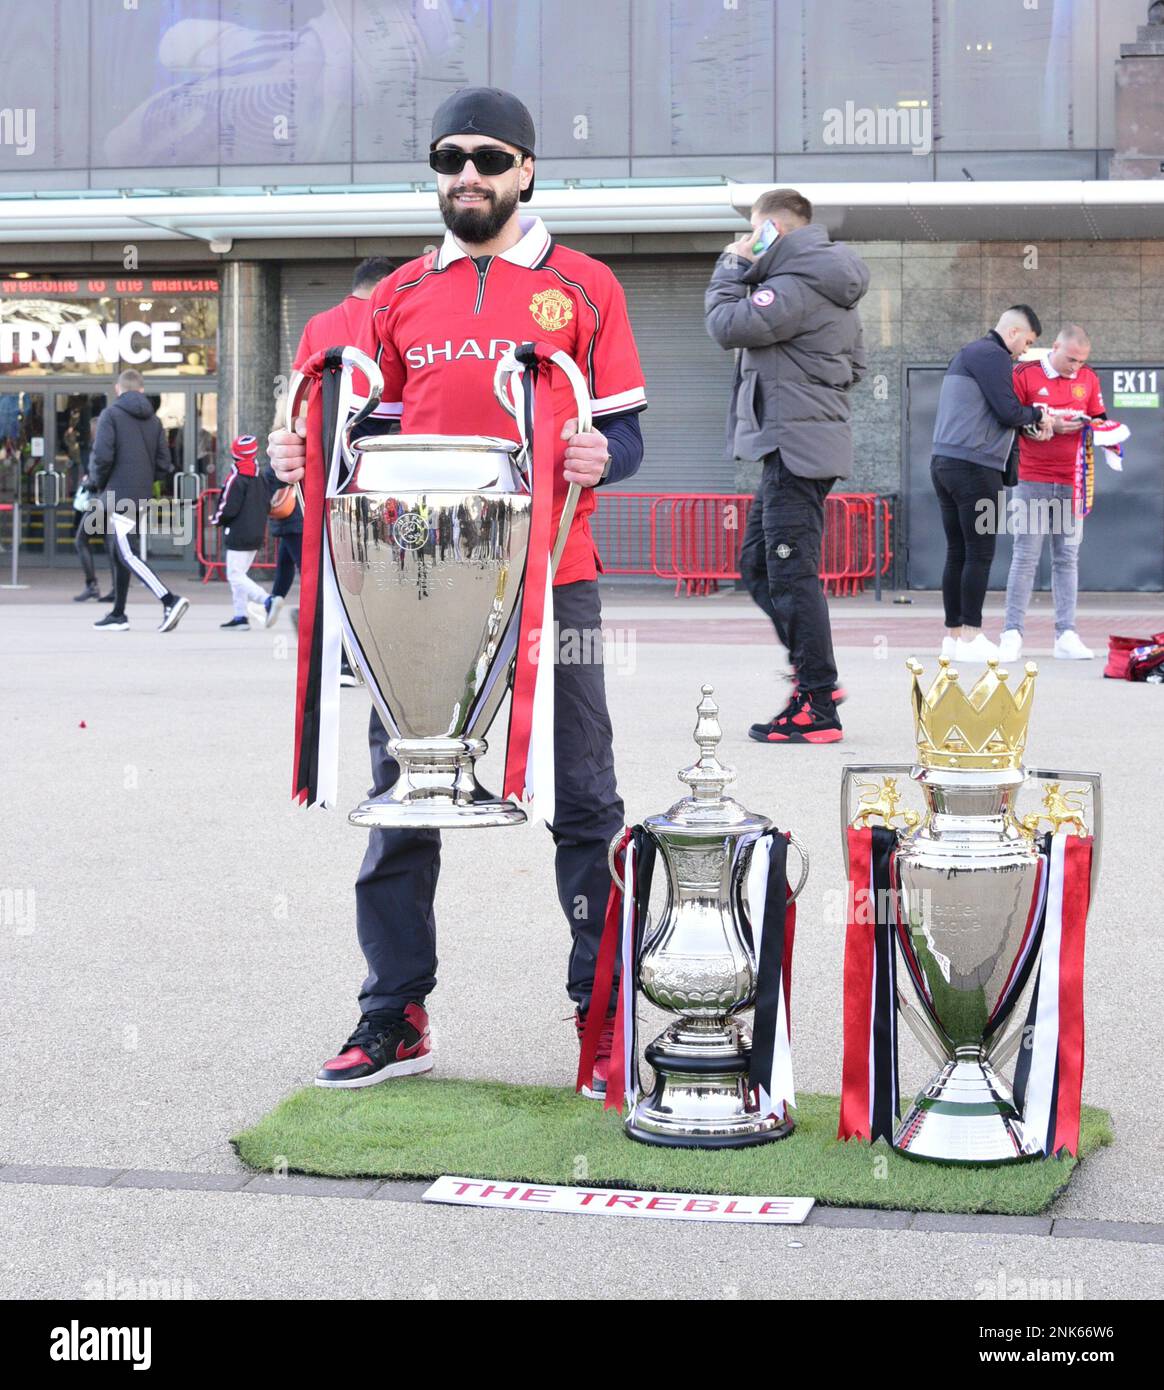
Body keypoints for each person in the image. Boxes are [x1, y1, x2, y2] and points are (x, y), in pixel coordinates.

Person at [267, 86, 647, 1096]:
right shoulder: (394, 295)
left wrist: (605, 452)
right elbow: (361, 429)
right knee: (404, 798)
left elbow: (627, 431)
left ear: (526, 170)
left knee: (586, 797)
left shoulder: (586, 284)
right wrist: (295, 448)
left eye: (488, 159)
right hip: (418, 588)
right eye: (449, 159)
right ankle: (394, 1013)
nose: (467, 176)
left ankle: (600, 1015)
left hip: (556, 579)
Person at [705, 188, 868, 745]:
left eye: (756, 231)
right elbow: (857, 365)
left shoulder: (795, 286)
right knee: (757, 564)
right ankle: (813, 672)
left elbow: (726, 324)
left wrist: (733, 264)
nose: (751, 241)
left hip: (798, 448)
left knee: (790, 571)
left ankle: (817, 704)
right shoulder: (823, 285)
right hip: (797, 445)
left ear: (773, 228)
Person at [248, 258, 396, 683]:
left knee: (335, 562)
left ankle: (338, 654)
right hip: (384, 463)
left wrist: (288, 444)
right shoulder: (396, 315)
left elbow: (293, 398)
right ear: (386, 285)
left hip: (327, 466)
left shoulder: (319, 324)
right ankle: (373, 655)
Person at [929, 307, 1052, 662]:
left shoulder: (967, 354)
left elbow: (994, 412)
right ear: (1013, 332)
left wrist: (1026, 421)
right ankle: (972, 635)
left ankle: (953, 638)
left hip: (944, 463)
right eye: (1027, 342)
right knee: (979, 552)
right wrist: (1039, 415)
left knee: (957, 551)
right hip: (975, 468)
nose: (1024, 352)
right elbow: (1008, 411)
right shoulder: (994, 356)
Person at [997, 326, 1105, 662]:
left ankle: (1066, 633)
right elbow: (1009, 418)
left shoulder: (1088, 379)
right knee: (1025, 556)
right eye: (1071, 359)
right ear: (1055, 347)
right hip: (1031, 477)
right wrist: (1047, 425)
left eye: (1081, 361)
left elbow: (1101, 419)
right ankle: (1012, 632)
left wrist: (1095, 426)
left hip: (1072, 479)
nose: (1076, 366)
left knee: (1067, 558)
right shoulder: (1025, 374)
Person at [89, 369, 189, 633]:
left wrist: (99, 483)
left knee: (128, 553)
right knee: (118, 551)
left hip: (117, 493)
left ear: (117, 389)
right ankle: (119, 613)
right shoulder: (154, 422)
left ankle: (170, 600)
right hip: (140, 494)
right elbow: (164, 464)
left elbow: (102, 456)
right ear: (142, 390)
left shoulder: (110, 415)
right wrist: (144, 481)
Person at [210, 435, 269, 629]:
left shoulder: (237, 478)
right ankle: (240, 616)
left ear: (235, 454)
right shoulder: (259, 477)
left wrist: (216, 519)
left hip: (238, 532)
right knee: (240, 575)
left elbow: (228, 507)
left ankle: (267, 600)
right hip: (256, 532)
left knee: (235, 575)